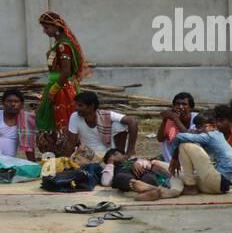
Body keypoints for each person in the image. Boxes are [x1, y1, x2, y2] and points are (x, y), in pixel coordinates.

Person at [34, 11, 90, 155]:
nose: (44, 31)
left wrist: (54, 90)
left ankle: (66, 153)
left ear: (56, 26)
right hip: (58, 85)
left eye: (46, 27)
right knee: (56, 121)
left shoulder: (63, 46)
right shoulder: (60, 43)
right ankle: (58, 154)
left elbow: (65, 71)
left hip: (62, 88)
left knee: (63, 121)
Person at [170, 116, 232, 194]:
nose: (198, 130)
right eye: (197, 127)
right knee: (178, 177)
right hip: (222, 186)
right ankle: (188, 186)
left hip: (219, 180)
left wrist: (174, 158)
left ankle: (190, 186)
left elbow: (178, 137)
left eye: (202, 127)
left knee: (184, 145)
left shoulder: (211, 136)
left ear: (212, 126)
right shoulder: (217, 136)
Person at [67, 91, 139, 156]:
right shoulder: (74, 117)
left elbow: (133, 121)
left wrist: (130, 150)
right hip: (87, 154)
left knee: (120, 125)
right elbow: (71, 143)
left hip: (108, 155)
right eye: (76, 105)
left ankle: (120, 154)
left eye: (80, 105)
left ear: (91, 107)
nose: (76, 108)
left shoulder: (105, 115)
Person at [100, 148, 181, 200]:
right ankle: (160, 191)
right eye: (111, 157)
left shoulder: (134, 160)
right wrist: (110, 163)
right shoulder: (113, 169)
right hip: (127, 178)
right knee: (120, 178)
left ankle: (142, 196)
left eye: (115, 154)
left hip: (144, 176)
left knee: (148, 177)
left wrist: (135, 164)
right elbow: (106, 182)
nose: (114, 157)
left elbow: (149, 165)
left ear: (123, 155)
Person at [157, 92, 197, 162]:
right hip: (171, 161)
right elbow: (160, 139)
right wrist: (165, 120)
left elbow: (189, 137)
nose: (180, 107)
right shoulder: (170, 120)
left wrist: (175, 119)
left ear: (191, 108)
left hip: (192, 160)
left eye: (184, 104)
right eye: (178, 104)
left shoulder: (196, 119)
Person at [2, 88, 37, 161]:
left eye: (16, 101)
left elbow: (29, 145)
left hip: (8, 164)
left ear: (22, 104)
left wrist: (33, 164)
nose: (13, 104)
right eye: (9, 101)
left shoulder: (26, 119)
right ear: (3, 103)